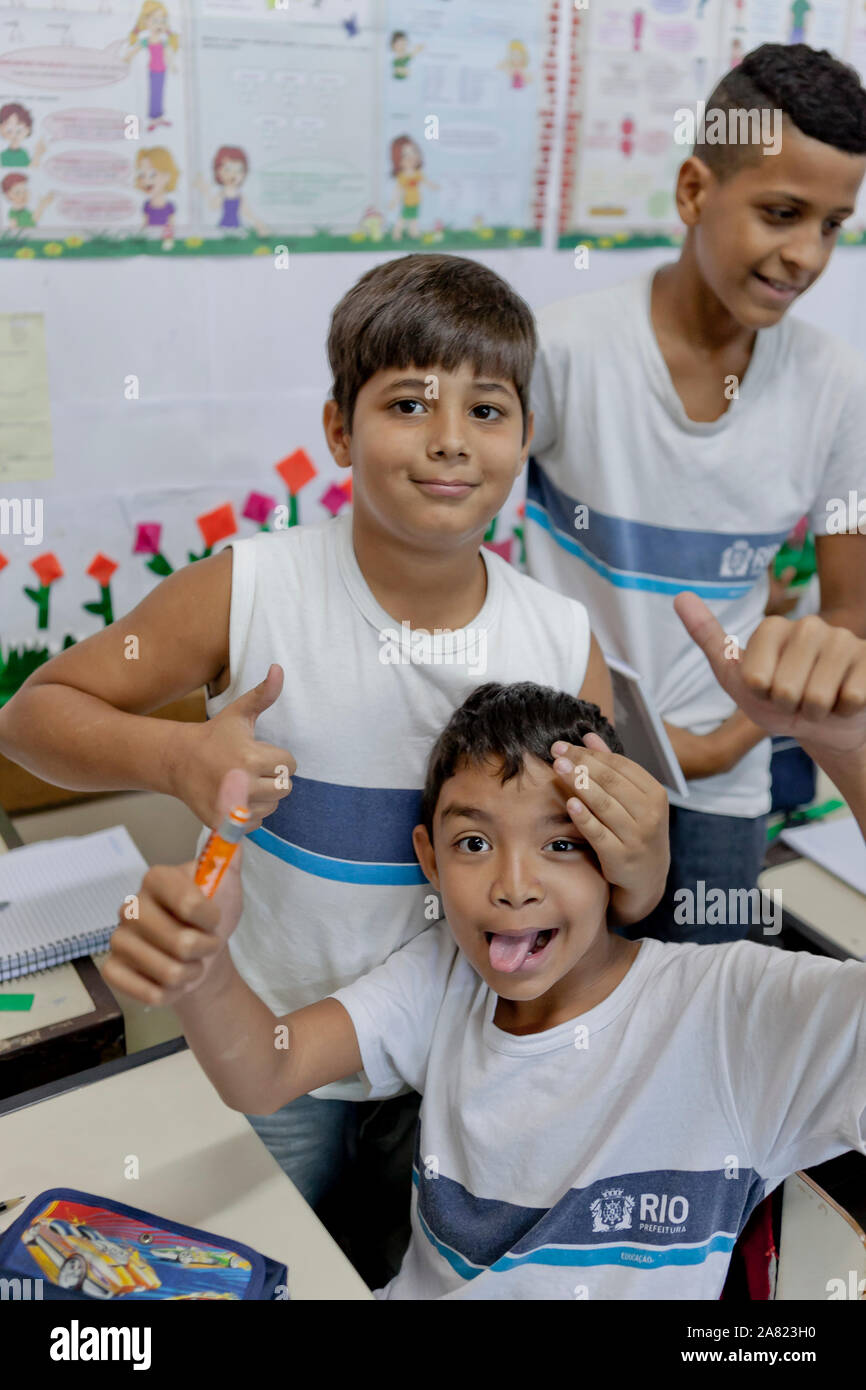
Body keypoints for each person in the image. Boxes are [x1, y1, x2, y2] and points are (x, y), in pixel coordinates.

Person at [0, 253, 668, 1288]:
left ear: (525, 438)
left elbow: (604, 887)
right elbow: (31, 715)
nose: (450, 438)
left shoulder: (557, 637)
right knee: (268, 1260)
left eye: (486, 410)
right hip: (270, 1044)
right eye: (408, 402)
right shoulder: (250, 589)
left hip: (462, 1058)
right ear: (337, 429)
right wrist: (177, 752)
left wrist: (644, 856)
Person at [104, 597, 866, 1299]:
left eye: (562, 844)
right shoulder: (444, 980)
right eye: (473, 841)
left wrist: (844, 745)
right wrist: (202, 971)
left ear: (616, 848)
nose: (512, 884)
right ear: (428, 859)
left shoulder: (725, 1013)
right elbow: (265, 1070)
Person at [525, 43, 866, 943]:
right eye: (782, 213)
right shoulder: (564, 351)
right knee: (561, 1008)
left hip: (725, 778)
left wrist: (727, 742)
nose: (805, 255)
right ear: (693, 193)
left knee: (699, 1007)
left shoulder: (838, 388)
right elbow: (457, 557)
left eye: (834, 225)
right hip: (567, 763)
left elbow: (851, 616)